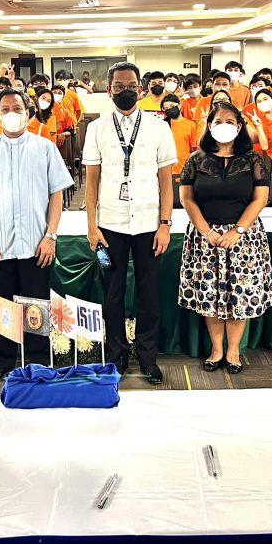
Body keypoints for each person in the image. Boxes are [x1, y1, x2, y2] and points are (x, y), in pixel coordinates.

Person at [0, 90, 72, 382]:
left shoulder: (45, 148)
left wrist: (51, 235)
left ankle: (37, 359)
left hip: (38, 244)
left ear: (28, 112)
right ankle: (2, 360)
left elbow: (56, 196)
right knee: (5, 306)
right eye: (5, 108)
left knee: (37, 307)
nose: (12, 113)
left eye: (18, 108)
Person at [84, 62, 177, 384]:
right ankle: (117, 354)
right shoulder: (96, 128)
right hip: (111, 222)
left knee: (149, 294)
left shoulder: (158, 127)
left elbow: (167, 181)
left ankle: (148, 358)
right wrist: (91, 225)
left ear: (141, 88)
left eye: (131, 85)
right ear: (108, 90)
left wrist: (165, 223)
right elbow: (91, 181)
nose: (125, 91)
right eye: (118, 86)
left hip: (149, 223)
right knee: (113, 293)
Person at [178, 102, 272, 374]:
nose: (224, 126)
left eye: (230, 121)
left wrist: (237, 231)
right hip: (204, 237)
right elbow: (187, 199)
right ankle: (216, 349)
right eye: (218, 121)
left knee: (239, 296)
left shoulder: (253, 160)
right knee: (210, 294)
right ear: (209, 126)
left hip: (244, 238)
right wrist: (207, 232)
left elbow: (261, 198)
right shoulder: (195, 159)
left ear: (240, 126)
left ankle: (233, 351)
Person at [161, 94, 199, 175]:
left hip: (184, 170)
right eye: (166, 108)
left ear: (179, 105)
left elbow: (193, 150)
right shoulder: (162, 126)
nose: (170, 109)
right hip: (165, 170)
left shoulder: (191, 125)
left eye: (172, 106)